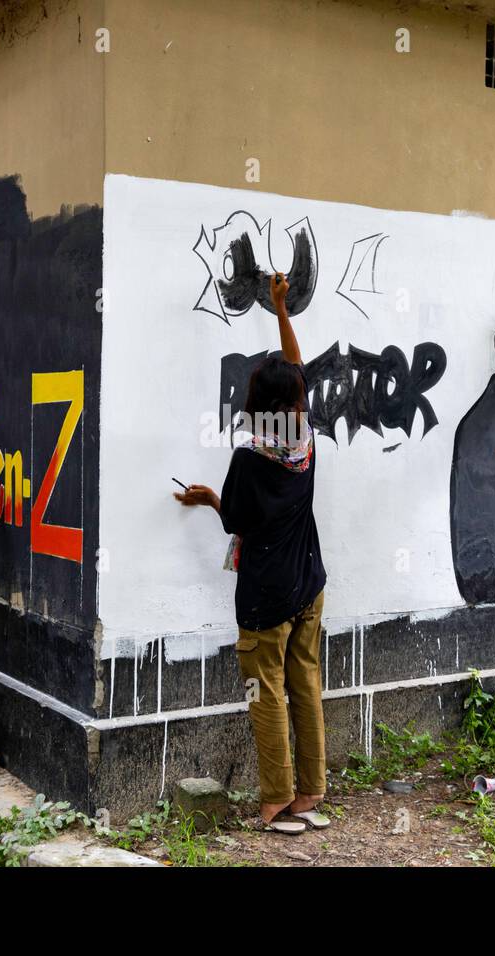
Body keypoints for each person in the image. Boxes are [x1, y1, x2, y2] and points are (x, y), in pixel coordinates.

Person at [175, 273, 328, 834]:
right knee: (305, 685)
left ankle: (274, 800)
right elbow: (296, 368)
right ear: (293, 403)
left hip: (265, 593)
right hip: (308, 584)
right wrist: (282, 308)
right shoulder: (302, 440)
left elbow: (236, 522)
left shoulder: (250, 457)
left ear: (255, 404)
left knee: (267, 694)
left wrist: (210, 498)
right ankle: (311, 791)